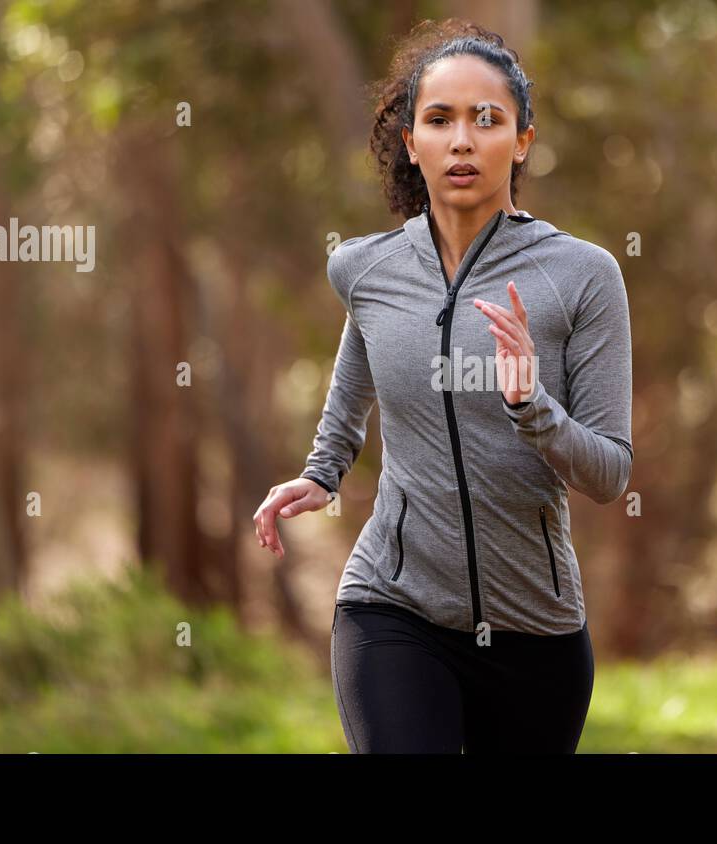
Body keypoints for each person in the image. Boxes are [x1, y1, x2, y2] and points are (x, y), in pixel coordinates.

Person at [252, 18, 633, 753]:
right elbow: (359, 365)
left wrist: (533, 407)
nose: (462, 140)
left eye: (487, 120)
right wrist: (322, 473)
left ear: (523, 140)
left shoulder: (583, 276)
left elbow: (611, 474)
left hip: (536, 630)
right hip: (393, 608)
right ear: (410, 141)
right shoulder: (368, 270)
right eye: (439, 119)